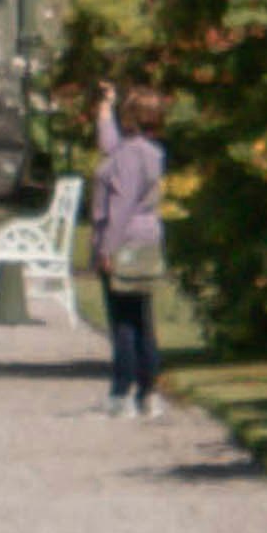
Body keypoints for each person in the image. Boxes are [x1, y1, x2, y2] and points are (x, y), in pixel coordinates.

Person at [84, 92, 170, 415]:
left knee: (124, 320)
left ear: (132, 117)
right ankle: (147, 393)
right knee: (140, 317)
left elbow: (121, 205)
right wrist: (104, 111)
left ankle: (124, 392)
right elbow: (111, 147)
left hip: (125, 240)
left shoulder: (130, 156)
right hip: (146, 238)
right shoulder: (146, 151)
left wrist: (107, 248)